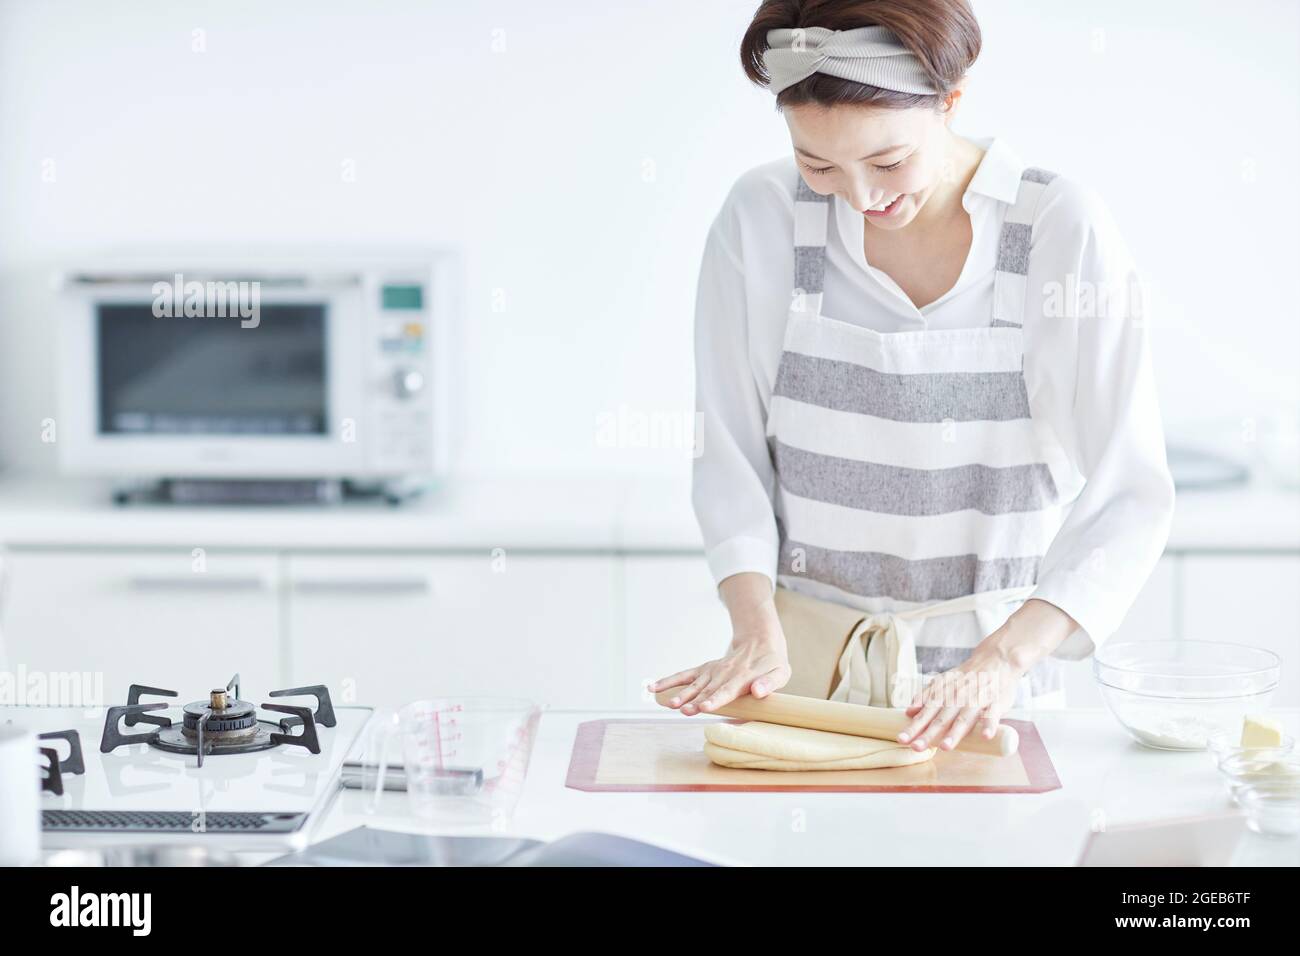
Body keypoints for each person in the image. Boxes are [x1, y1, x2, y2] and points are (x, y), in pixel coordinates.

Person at [651, 0, 1175, 754]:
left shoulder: (1058, 230)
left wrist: (1001, 662)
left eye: (889, 162)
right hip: (806, 687)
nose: (862, 199)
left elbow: (1131, 493)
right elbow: (727, 453)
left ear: (950, 104)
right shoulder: (760, 218)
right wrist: (754, 627)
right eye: (818, 164)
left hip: (990, 697)